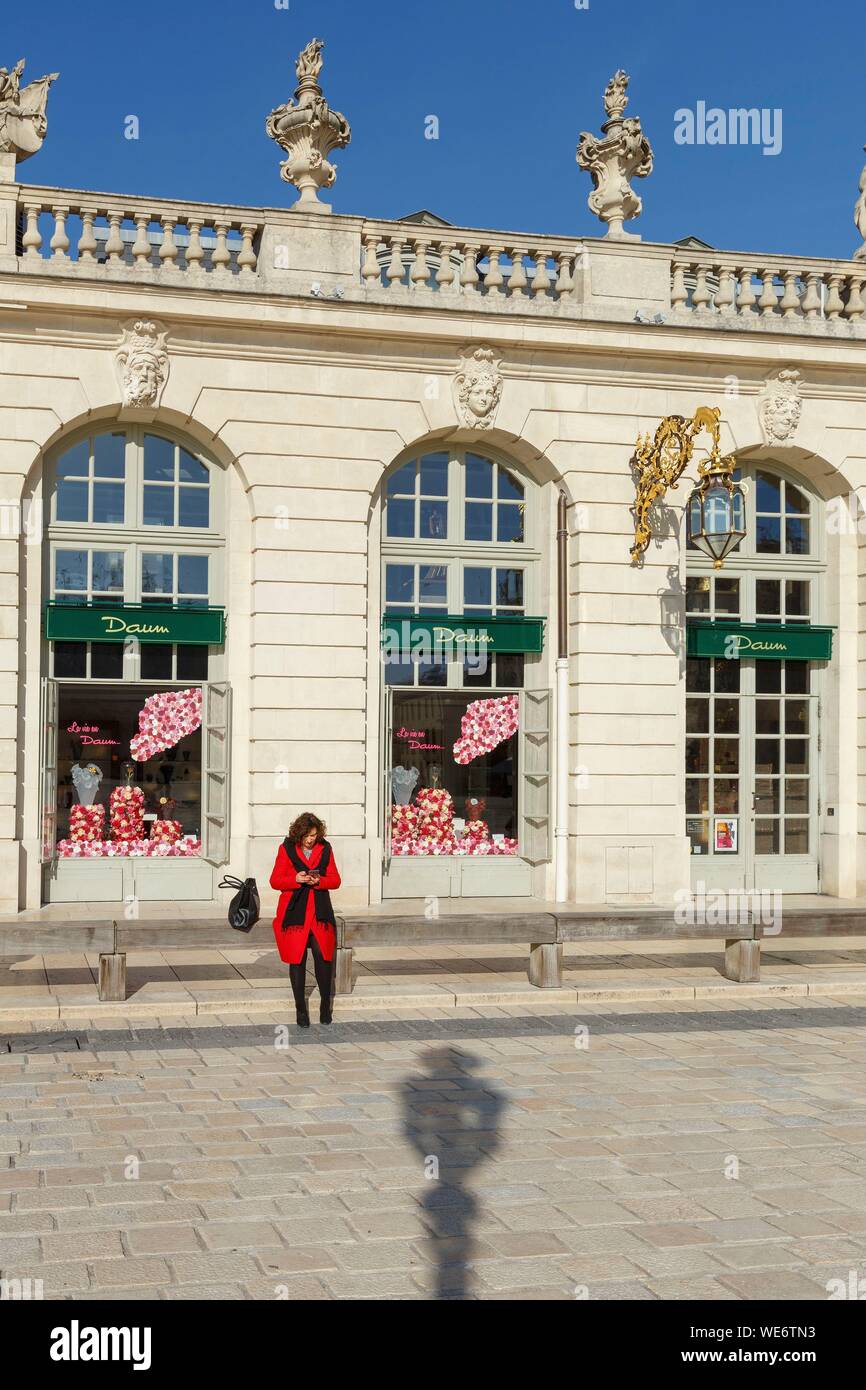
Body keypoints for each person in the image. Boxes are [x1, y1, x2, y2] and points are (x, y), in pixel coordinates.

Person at [270, 811, 341, 1027]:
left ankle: (325, 1004)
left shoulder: (325, 848)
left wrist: (318, 881)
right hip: (295, 914)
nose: (312, 839)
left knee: (323, 956)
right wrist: (295, 878)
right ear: (299, 834)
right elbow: (275, 880)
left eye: (315, 835)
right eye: (308, 835)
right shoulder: (286, 849)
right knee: (297, 959)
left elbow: (336, 880)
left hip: (320, 913)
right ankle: (300, 1009)